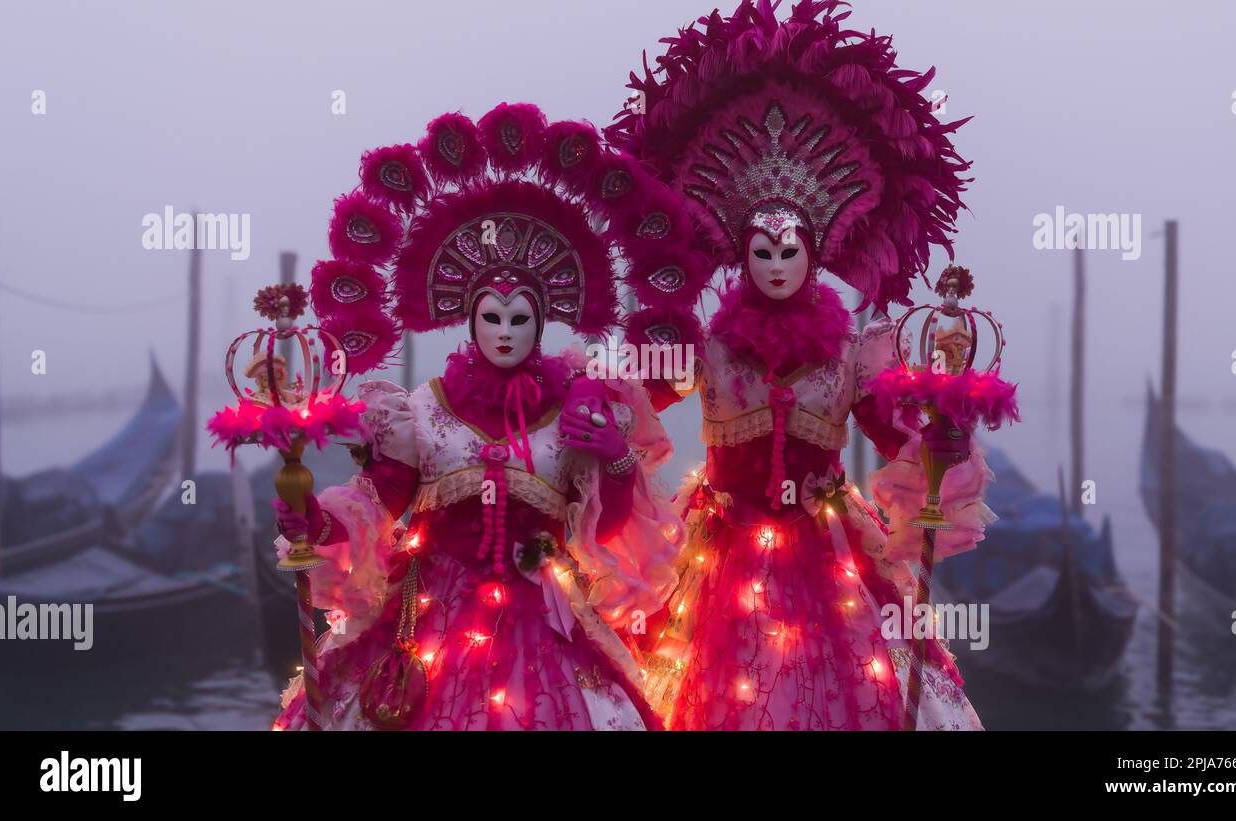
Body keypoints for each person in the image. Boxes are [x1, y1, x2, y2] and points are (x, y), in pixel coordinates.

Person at [607, 0, 995, 730]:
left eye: (791, 252)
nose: (777, 264)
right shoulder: (708, 347)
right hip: (719, 551)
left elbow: (894, 433)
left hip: (828, 553)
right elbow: (636, 401)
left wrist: (940, 436)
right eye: (763, 251)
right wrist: (593, 410)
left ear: (815, 253)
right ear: (741, 251)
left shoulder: (854, 350)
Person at [270, 102, 705, 730]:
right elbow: (382, 496)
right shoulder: (418, 409)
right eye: (492, 318)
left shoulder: (578, 406)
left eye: (520, 319)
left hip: (545, 622)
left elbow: (606, 531)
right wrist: (318, 520)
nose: (505, 332)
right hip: (429, 617)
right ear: (469, 320)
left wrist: (615, 457)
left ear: (542, 321)